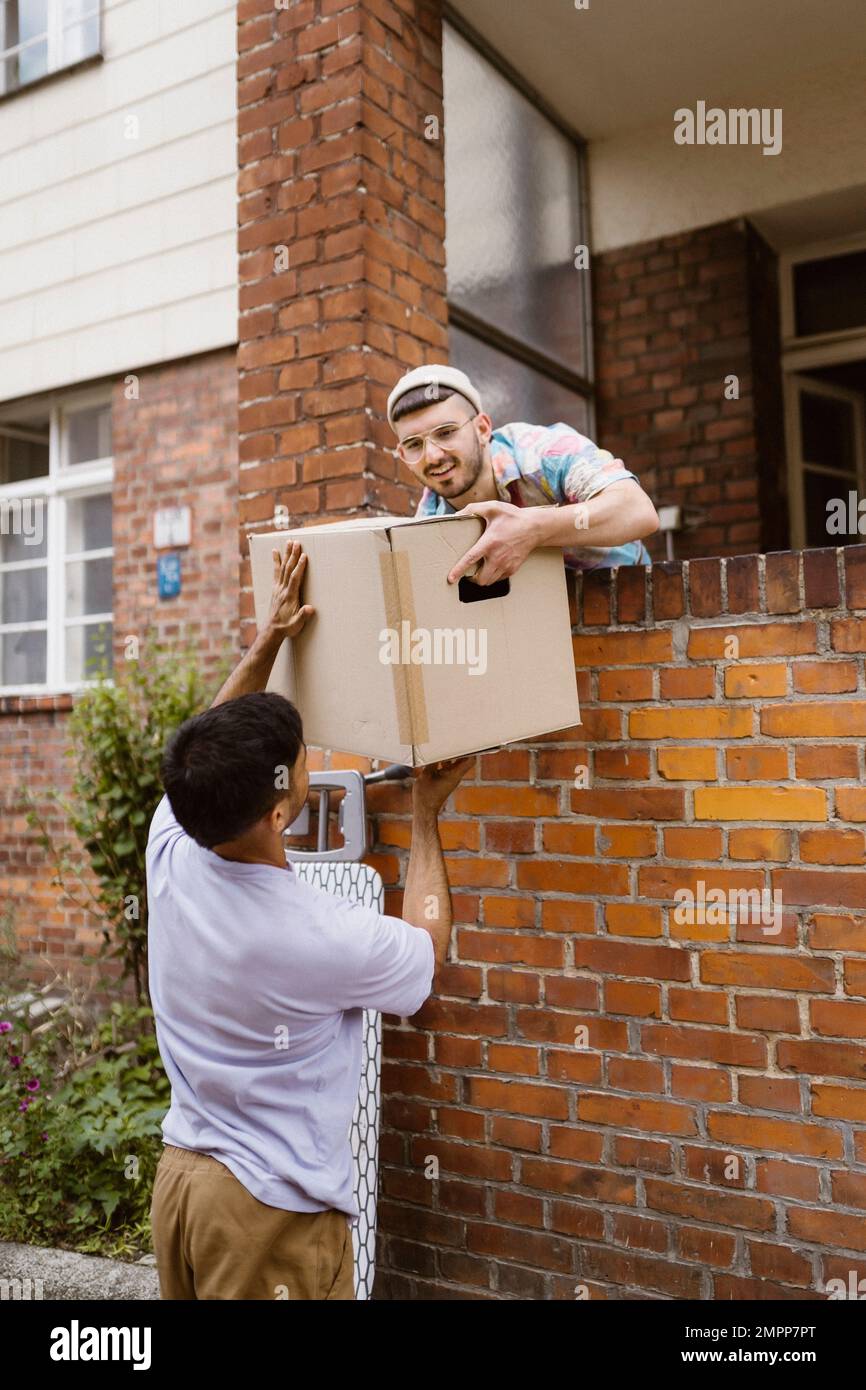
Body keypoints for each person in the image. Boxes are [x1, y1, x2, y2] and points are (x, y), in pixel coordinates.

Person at [147, 542, 472, 1300]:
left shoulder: (173, 842)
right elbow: (427, 949)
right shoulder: (317, 934)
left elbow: (208, 739)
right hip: (268, 1213)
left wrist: (271, 635)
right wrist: (428, 817)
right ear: (279, 808)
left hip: (184, 1187)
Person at [386, 364, 660, 586]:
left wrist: (533, 529)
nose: (432, 456)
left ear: (482, 429)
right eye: (413, 445)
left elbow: (637, 511)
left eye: (446, 432)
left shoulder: (542, 453)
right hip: (538, 629)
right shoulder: (429, 521)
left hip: (628, 601)